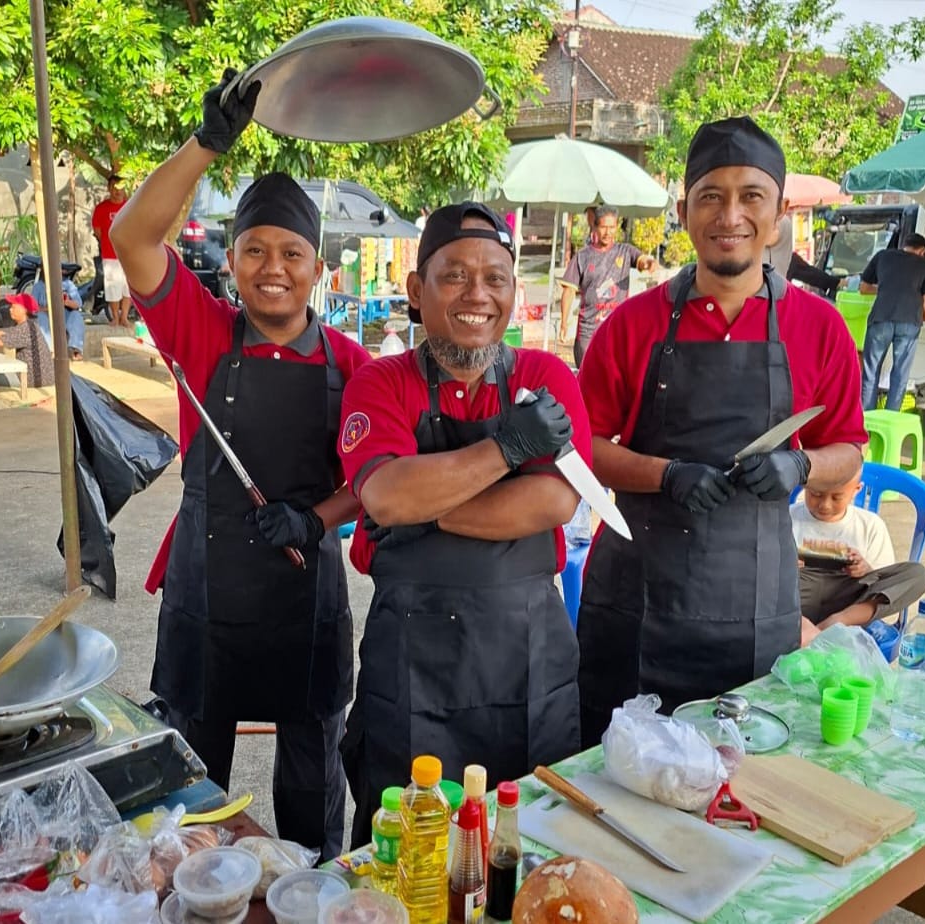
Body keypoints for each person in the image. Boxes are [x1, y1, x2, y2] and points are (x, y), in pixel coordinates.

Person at [108, 70, 371, 861]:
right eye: (254, 249)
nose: (272, 267)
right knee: (192, 793)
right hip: (207, 596)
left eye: (292, 252)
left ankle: (316, 894)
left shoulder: (356, 362)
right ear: (231, 260)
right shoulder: (201, 331)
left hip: (306, 594)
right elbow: (133, 237)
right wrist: (208, 144)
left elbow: (375, 479)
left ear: (318, 269)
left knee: (311, 788)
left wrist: (320, 515)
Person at [574, 116, 867, 739]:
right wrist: (666, 473)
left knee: (744, 782)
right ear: (685, 211)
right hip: (636, 602)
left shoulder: (821, 328)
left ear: (779, 213)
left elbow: (848, 450)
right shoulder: (631, 324)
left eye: (750, 196)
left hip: (755, 611)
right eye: (711, 195)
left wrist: (802, 465)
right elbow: (582, 450)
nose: (729, 214)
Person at [338, 203, 588, 846]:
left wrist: (424, 503)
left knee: (525, 846)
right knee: (405, 855)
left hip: (529, 660)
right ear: (418, 291)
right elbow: (387, 495)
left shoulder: (546, 377)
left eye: (496, 278)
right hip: (411, 663)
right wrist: (506, 451)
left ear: (515, 292)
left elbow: (554, 504)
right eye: (454, 276)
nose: (478, 295)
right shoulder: (379, 382)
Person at [792, 463, 925, 645]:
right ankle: (803, 627)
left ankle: (839, 621)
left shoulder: (870, 524)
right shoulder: (787, 517)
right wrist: (784, 565)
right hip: (797, 598)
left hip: (850, 599)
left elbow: (882, 580)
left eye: (837, 497)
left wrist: (864, 568)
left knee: (917, 574)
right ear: (805, 486)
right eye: (816, 494)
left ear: (856, 490)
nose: (825, 505)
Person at [559, 205, 655, 368]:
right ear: (595, 227)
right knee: (587, 379)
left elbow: (641, 260)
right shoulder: (582, 257)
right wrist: (563, 322)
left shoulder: (625, 252)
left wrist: (648, 263)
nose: (608, 232)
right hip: (588, 332)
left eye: (612, 227)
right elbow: (569, 291)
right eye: (603, 227)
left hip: (617, 330)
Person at [859, 233, 925, 412]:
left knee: (871, 371)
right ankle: (891, 417)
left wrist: (885, 288)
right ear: (923, 251)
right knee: (900, 373)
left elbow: (863, 288)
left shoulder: (883, 256)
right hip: (909, 322)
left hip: (881, 318)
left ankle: (866, 420)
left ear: (904, 246)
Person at [92, 173, 133, 328]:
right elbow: (97, 231)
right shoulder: (101, 208)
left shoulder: (130, 206)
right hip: (110, 255)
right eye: (114, 188)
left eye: (120, 188)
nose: (117, 191)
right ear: (109, 189)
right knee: (112, 287)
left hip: (128, 255)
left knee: (127, 288)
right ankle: (115, 317)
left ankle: (125, 317)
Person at [30, 274, 86, 360]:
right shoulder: (38, 286)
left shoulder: (68, 284)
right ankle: (49, 350)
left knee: (77, 316)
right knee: (41, 317)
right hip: (47, 316)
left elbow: (78, 304)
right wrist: (48, 307)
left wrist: (66, 302)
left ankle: (76, 349)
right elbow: (33, 308)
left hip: (64, 316)